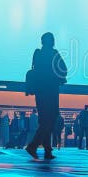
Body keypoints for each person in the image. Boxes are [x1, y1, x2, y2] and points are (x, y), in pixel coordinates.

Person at [25, 32, 67, 160]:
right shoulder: (54, 54)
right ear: (51, 41)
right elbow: (64, 69)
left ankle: (47, 150)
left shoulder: (37, 54)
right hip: (51, 92)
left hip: (40, 92)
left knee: (44, 120)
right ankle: (33, 145)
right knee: (50, 120)